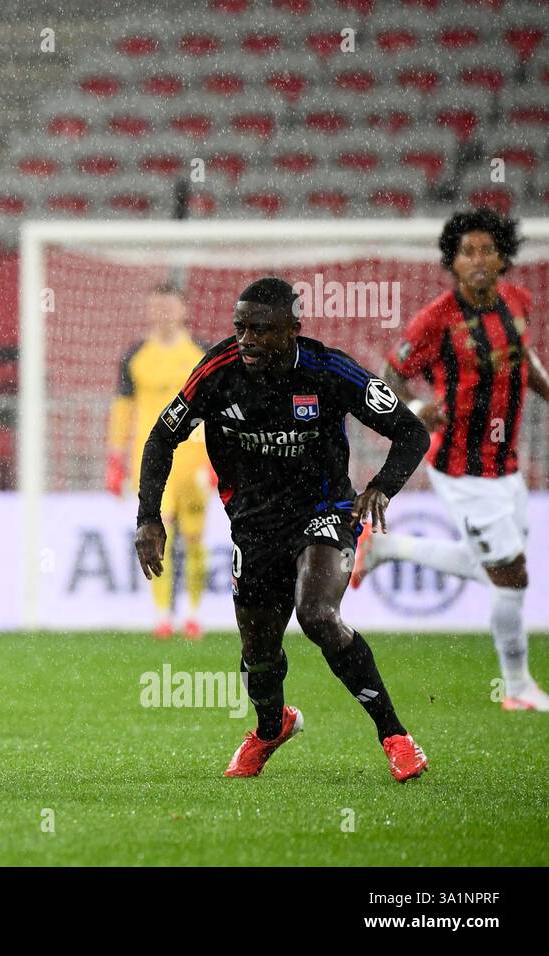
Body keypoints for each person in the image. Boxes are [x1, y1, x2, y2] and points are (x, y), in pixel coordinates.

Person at [135, 277, 432, 782]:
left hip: (325, 510)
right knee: (259, 651)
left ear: (293, 330)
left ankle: (396, 736)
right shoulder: (217, 371)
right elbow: (162, 437)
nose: (247, 339)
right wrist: (148, 517)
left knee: (317, 614)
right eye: (241, 327)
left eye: (261, 329)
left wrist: (381, 486)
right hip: (253, 525)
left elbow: (411, 430)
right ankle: (272, 727)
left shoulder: (330, 370)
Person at [352, 209, 549, 712]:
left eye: (488, 249)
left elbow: (523, 361)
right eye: (468, 251)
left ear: (504, 256)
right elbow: (384, 386)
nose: (479, 259)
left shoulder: (519, 303)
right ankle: (518, 687)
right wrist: (417, 409)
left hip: (506, 467)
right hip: (461, 469)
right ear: (452, 262)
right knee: (511, 574)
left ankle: (386, 551)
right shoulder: (435, 321)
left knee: (495, 569)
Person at [107, 283, 210, 639]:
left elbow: (215, 410)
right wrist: (115, 457)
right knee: (154, 534)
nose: (163, 315)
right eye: (157, 308)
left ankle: (195, 614)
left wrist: (217, 461)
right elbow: (123, 409)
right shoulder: (135, 355)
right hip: (150, 462)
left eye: (169, 307)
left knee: (195, 538)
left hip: (194, 460)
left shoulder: (202, 353)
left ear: (183, 311)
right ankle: (162, 616)